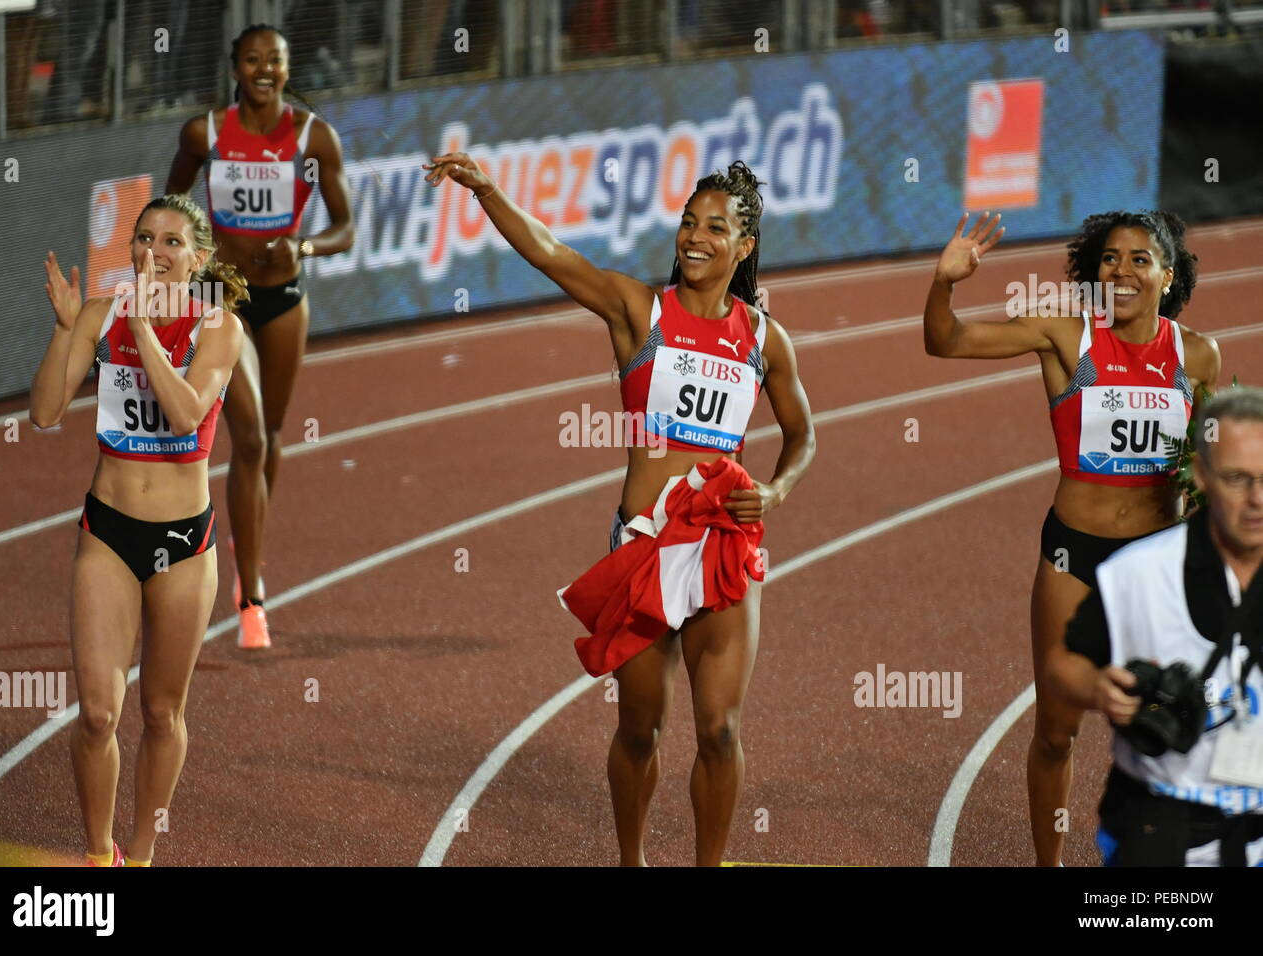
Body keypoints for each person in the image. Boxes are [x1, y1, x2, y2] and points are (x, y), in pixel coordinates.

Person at [423, 153, 816, 866]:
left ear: (745, 246)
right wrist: (487, 192)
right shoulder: (640, 310)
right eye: (688, 223)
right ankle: (632, 860)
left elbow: (803, 434)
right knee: (641, 726)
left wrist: (778, 490)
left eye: (715, 228)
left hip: (724, 544)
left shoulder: (764, 339)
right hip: (643, 545)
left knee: (721, 729)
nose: (695, 237)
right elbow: (553, 255)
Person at [924, 209, 1221, 865]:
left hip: (1157, 568)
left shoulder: (1196, 354)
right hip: (1073, 558)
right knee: (1057, 730)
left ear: (1168, 275)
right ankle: (1050, 864)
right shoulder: (1068, 335)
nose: (1121, 271)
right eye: (1110, 259)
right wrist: (944, 283)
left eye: (1140, 259)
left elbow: (1211, 463)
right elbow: (945, 341)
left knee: (1164, 721)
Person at [31, 194, 245, 866]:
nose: (154, 251)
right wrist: (67, 332)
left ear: (201, 258)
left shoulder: (219, 328)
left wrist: (147, 331)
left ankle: (145, 853)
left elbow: (185, 415)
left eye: (172, 242)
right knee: (97, 713)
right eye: (143, 239)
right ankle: (102, 856)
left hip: (184, 544)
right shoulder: (102, 313)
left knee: (161, 714)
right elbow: (42, 412)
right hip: (109, 533)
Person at [165, 23, 355, 649]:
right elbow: (172, 208)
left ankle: (251, 542)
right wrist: (190, 258)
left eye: (275, 60)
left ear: (286, 66)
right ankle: (251, 598)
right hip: (223, 300)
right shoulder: (206, 134)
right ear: (236, 68)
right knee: (246, 438)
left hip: (286, 299)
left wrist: (303, 243)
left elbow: (345, 228)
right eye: (253, 60)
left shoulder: (312, 137)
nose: (265, 70)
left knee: (270, 437)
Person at [1047, 388, 1263, 866]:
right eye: (1237, 479)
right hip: (1159, 830)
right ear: (1201, 477)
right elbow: (1062, 666)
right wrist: (1098, 687)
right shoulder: (1135, 574)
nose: (1257, 500)